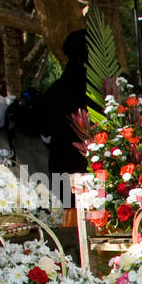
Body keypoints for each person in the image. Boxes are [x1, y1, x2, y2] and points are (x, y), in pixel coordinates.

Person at [37, 29, 89, 176]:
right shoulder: (107, 89)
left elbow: (44, 130)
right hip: (92, 167)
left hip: (63, 165)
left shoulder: (57, 90)